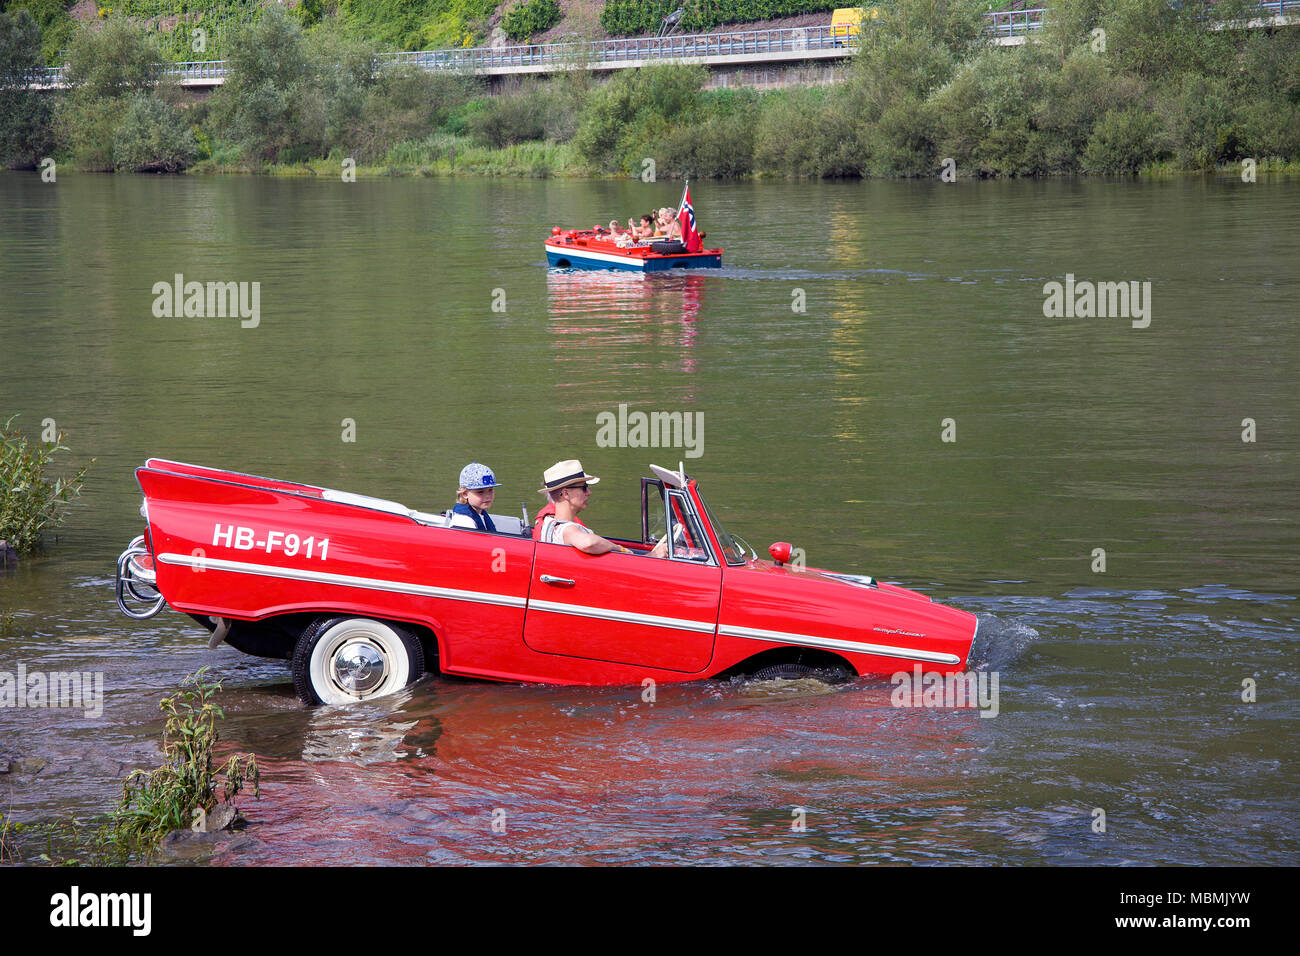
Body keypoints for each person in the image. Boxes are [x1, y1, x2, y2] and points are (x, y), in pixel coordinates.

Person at [537, 459, 666, 557]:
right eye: (584, 487)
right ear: (565, 494)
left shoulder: (549, 522)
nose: (589, 492)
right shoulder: (567, 530)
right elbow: (588, 543)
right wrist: (618, 548)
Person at [452, 462, 499, 532]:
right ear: (465, 494)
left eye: (490, 490)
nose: (487, 496)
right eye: (480, 492)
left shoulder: (480, 513)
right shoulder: (464, 521)